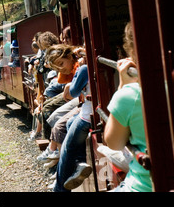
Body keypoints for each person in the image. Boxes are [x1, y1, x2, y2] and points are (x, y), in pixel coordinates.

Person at [104, 22, 152, 192]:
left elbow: (113, 143)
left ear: (132, 52)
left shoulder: (131, 94)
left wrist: (122, 88)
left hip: (143, 187)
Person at [45, 44, 93, 192]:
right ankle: (80, 163)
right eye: (57, 68)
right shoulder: (82, 65)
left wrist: (70, 84)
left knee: (66, 148)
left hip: (86, 117)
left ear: (70, 56)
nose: (62, 69)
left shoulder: (83, 68)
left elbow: (73, 92)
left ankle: (59, 189)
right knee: (70, 122)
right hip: (86, 112)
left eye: (61, 64)